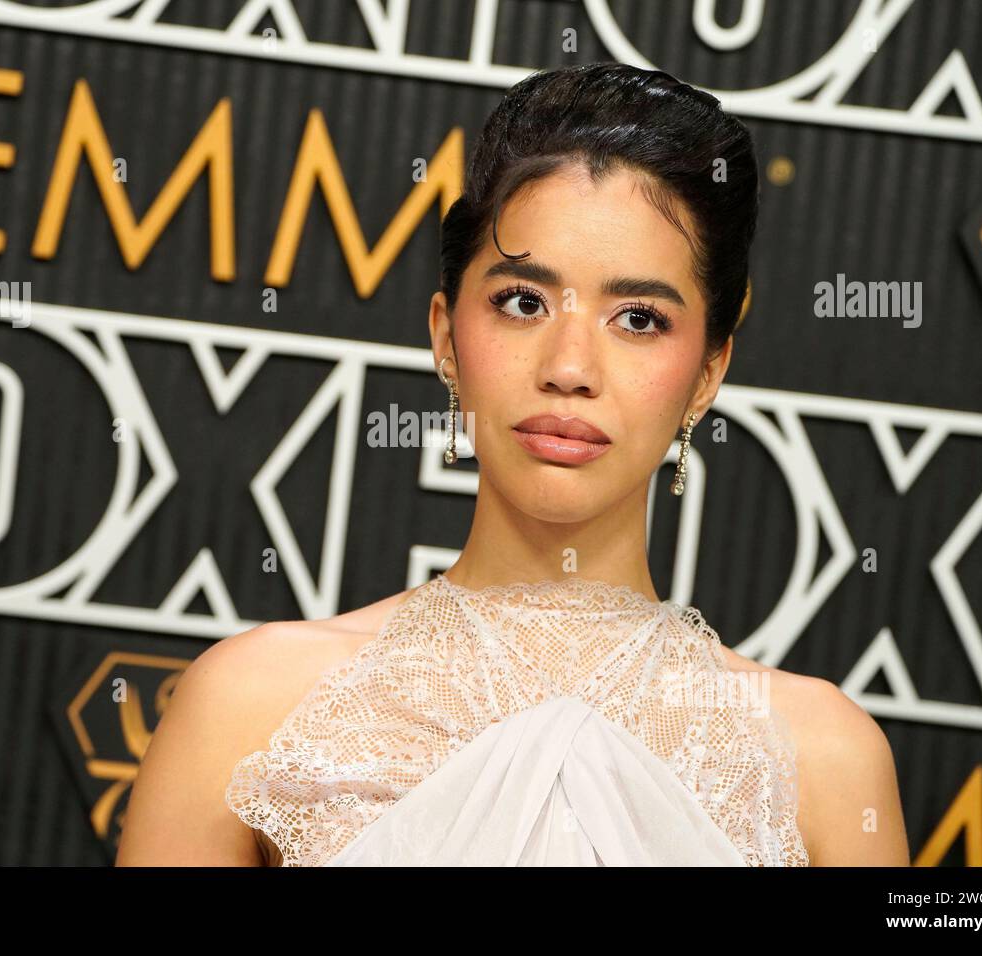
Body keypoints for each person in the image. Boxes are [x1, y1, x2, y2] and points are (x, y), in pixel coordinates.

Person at [115, 62, 910, 867]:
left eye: (638, 318)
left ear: (708, 371)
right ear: (444, 336)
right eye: (524, 302)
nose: (570, 365)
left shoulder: (823, 763)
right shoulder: (251, 705)